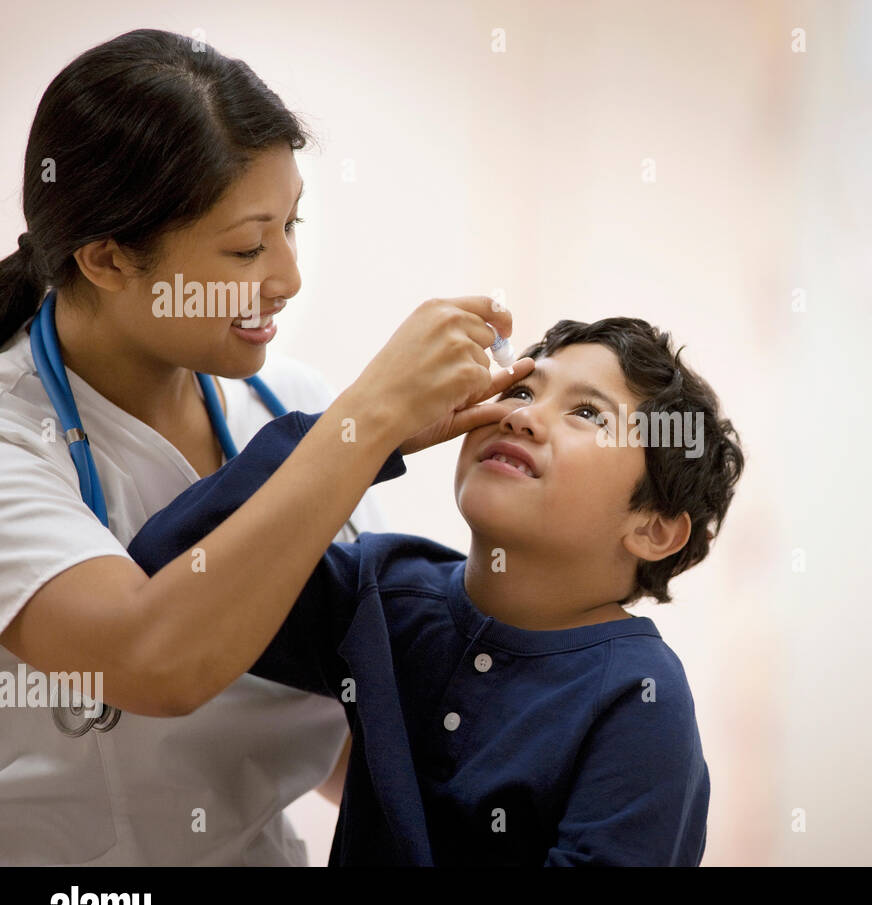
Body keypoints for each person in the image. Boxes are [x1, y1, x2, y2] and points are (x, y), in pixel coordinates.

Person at [0, 28, 532, 864]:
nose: (285, 276)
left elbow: (350, 719)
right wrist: (367, 425)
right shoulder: (11, 436)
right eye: (248, 246)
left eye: (292, 225)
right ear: (105, 258)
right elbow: (156, 662)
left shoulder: (293, 409)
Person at [129, 318, 745, 865]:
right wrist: (371, 433)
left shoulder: (639, 699)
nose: (520, 414)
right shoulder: (382, 594)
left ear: (653, 529)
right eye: (523, 389)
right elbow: (171, 571)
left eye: (587, 413)